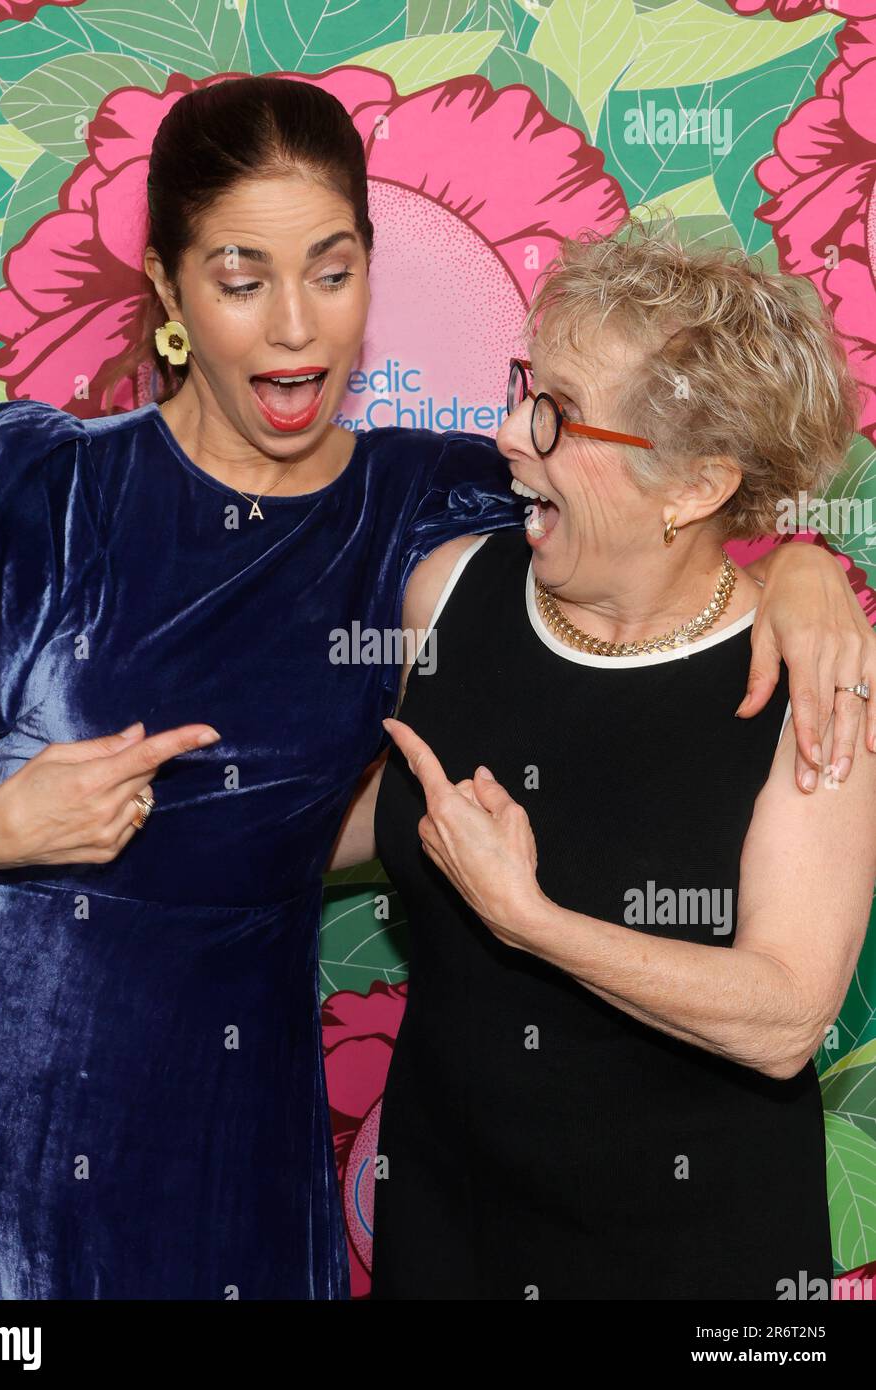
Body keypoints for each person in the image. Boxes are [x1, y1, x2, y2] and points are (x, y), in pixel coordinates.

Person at [0, 79, 868, 1302]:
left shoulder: (428, 504)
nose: (295, 326)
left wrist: (795, 569)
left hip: (236, 1064)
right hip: (1, 1058)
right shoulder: (39, 478)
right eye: (242, 280)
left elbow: (665, 524)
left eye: (333, 270)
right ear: (168, 291)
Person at [330, 221, 876, 1300]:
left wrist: (527, 918)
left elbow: (781, 1018)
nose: (505, 433)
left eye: (558, 415)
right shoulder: (449, 589)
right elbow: (372, 809)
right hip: (452, 1224)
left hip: (689, 1256)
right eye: (526, 385)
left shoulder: (812, 683)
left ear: (693, 485)